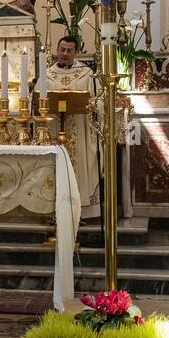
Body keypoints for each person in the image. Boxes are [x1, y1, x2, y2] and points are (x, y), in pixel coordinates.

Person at [45, 36, 101, 220]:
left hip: (80, 131)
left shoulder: (87, 74)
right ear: (57, 50)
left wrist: (92, 106)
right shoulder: (47, 74)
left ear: (76, 52)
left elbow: (97, 101)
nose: (65, 54)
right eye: (62, 49)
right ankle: (52, 208)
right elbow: (37, 101)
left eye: (69, 50)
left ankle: (82, 210)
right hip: (53, 129)